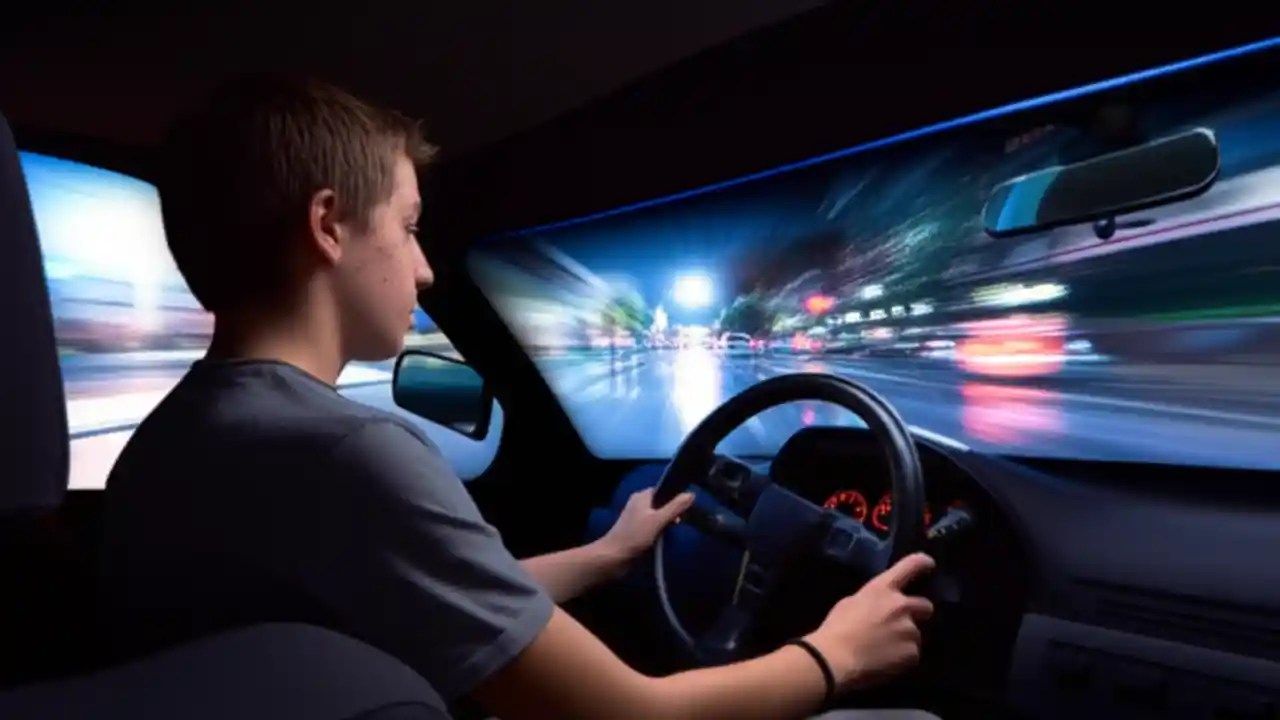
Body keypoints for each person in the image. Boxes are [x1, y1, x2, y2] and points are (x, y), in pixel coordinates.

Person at [98, 73, 939, 720]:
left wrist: (608, 555)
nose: (426, 268)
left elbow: (427, 593)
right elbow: (625, 713)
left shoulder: (166, 446)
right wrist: (835, 655)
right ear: (328, 226)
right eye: (410, 225)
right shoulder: (344, 452)